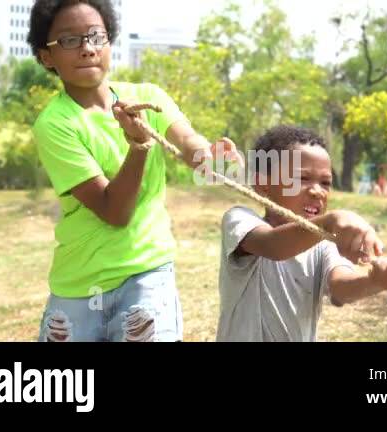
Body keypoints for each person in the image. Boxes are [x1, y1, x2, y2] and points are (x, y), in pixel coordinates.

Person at [28, 0, 240, 342]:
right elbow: (115, 212)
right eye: (70, 40)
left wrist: (208, 154)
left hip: (146, 274)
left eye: (96, 37)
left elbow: (186, 141)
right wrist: (138, 147)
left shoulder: (148, 97)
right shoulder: (54, 124)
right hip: (77, 285)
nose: (87, 49)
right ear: (46, 57)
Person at [216, 126, 387, 342]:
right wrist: (330, 221)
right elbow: (273, 246)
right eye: (302, 178)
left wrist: (375, 279)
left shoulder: (323, 245)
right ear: (263, 185)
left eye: (325, 183)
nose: (317, 191)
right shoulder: (240, 220)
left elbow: (341, 289)